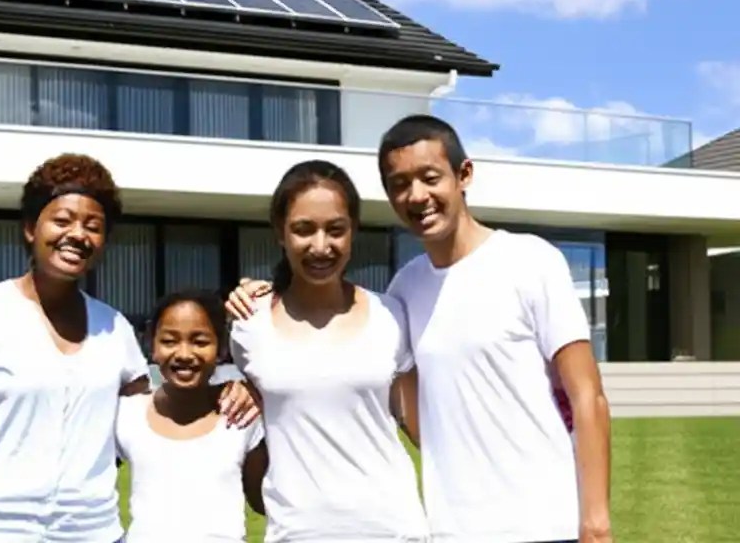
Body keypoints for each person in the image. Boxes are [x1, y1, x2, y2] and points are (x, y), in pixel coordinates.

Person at [231, 114, 613, 543]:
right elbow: (335, 364)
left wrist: (595, 523)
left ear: (463, 174)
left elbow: (588, 396)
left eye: (430, 178)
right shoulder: (403, 293)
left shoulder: (530, 261)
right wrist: (254, 374)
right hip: (451, 528)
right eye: (399, 184)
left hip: (544, 523)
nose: (417, 196)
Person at [0, 152, 260, 543]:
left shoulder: (114, 330)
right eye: (62, 220)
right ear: (31, 228)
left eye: (93, 226)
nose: (77, 234)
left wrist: (233, 390)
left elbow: (156, 421)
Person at [227, 159, 429, 542]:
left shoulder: (391, 315)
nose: (321, 246)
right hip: (297, 532)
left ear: (353, 232)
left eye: (335, 230)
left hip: (391, 530)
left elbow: (424, 429)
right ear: (280, 233)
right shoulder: (249, 323)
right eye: (304, 230)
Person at [115, 289, 267, 543]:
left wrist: (260, 390)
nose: (184, 354)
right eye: (170, 341)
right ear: (152, 346)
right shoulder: (125, 415)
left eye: (200, 341)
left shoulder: (241, 417)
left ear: (220, 349)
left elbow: (266, 501)